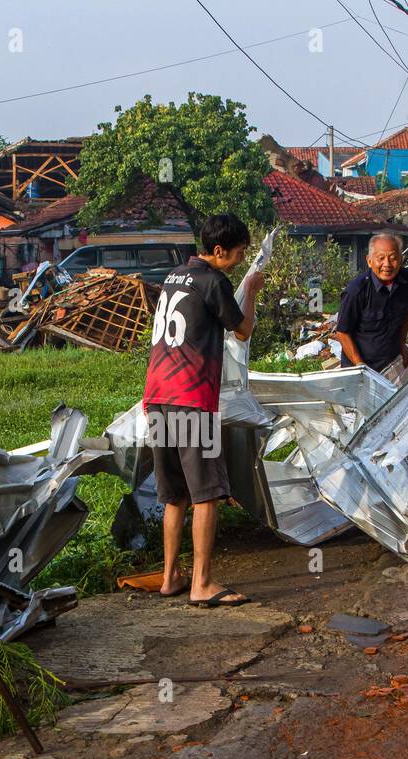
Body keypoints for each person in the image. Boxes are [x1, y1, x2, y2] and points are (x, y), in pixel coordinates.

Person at [144, 213, 264, 608]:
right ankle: (202, 584)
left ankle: (169, 578)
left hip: (158, 396)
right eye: (238, 254)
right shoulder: (214, 281)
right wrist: (252, 290)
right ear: (218, 250)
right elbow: (241, 330)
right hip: (191, 400)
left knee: (174, 495)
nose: (240, 260)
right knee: (207, 494)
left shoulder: (174, 276)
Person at [333, 232, 408, 379]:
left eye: (393, 258)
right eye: (381, 258)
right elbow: (342, 332)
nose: (387, 264)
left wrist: (401, 342)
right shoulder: (356, 291)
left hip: (391, 362)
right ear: (369, 261)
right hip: (360, 367)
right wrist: (360, 365)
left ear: (400, 259)